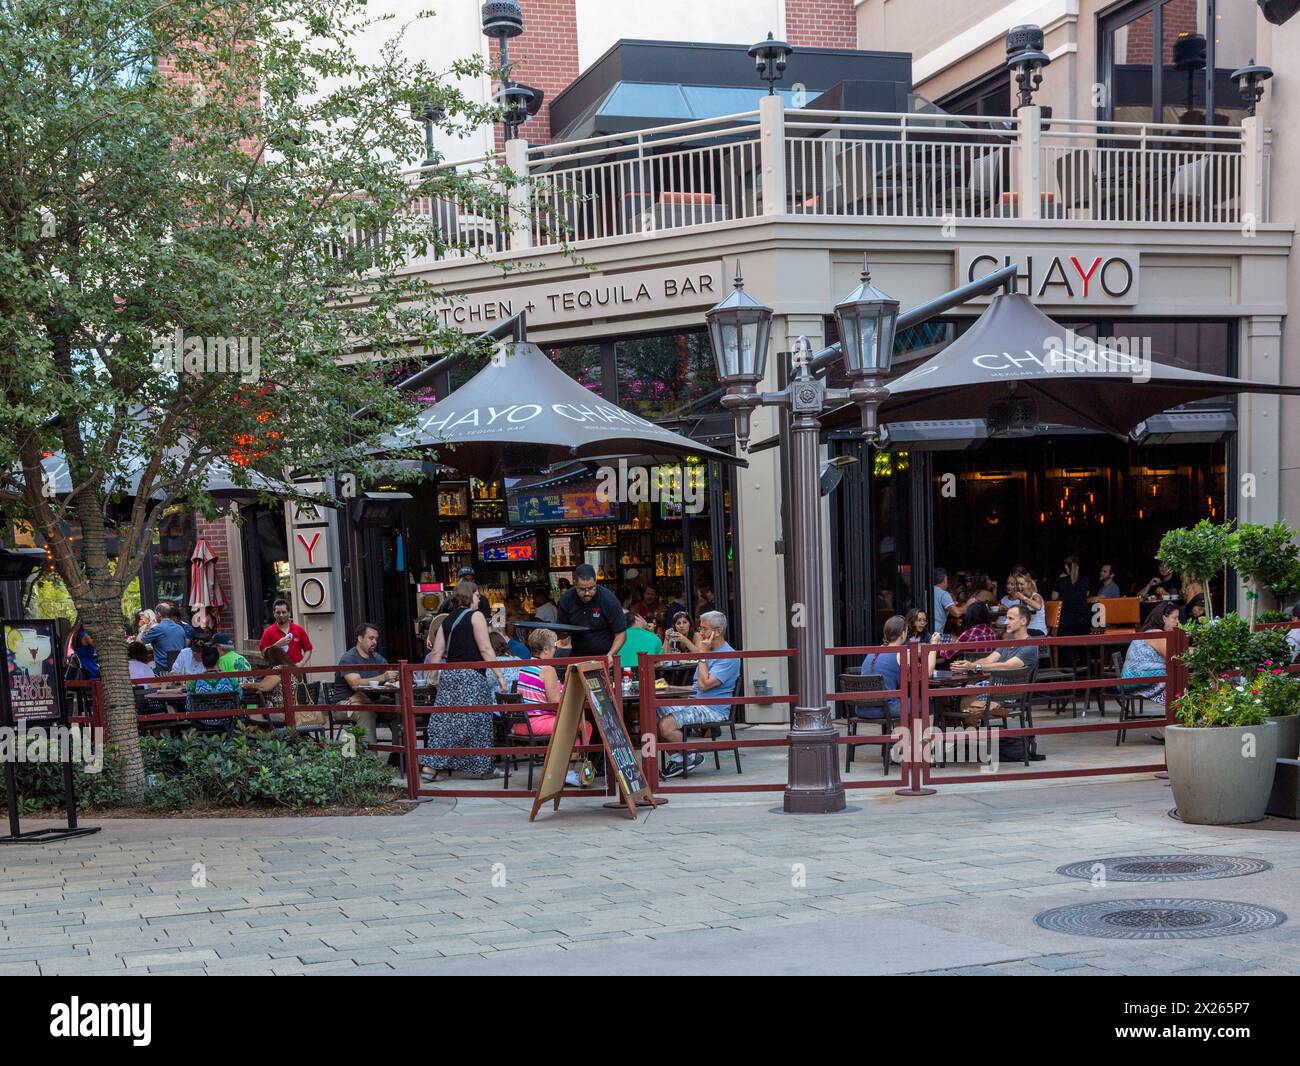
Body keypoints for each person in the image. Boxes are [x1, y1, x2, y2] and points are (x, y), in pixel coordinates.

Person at [420, 580, 504, 781]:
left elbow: (437, 652)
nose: (479, 599)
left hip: (449, 676)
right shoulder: (476, 616)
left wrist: (433, 677)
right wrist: (500, 675)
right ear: (469, 596)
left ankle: (432, 766)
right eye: (476, 595)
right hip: (471, 677)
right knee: (478, 721)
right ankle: (483, 767)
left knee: (446, 721)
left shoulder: (447, 620)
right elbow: (485, 648)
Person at [658, 611, 740, 777]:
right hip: (695, 702)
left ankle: (691, 755)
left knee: (666, 725)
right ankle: (680, 758)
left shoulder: (728, 656)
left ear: (718, 631)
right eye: (700, 628)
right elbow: (697, 687)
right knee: (651, 712)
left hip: (714, 709)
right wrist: (670, 687)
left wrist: (702, 656)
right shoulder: (709, 650)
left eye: (704, 629)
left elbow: (704, 685)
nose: (700, 633)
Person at [514, 628, 592, 788]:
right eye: (554, 646)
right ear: (546, 649)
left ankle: (566, 771)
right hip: (537, 722)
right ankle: (564, 772)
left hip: (522, 722)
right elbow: (556, 701)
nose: (556, 649)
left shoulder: (525, 665)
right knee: (586, 726)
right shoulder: (547, 669)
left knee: (575, 731)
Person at [1120, 602, 1181, 742]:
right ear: (1164, 618)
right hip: (1138, 679)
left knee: (1177, 681)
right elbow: (1174, 656)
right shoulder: (1156, 634)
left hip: (1138, 677)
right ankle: (1169, 727)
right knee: (1178, 684)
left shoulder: (1153, 633)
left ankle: (1170, 726)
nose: (1177, 622)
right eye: (1174, 618)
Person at [332, 621, 398, 744]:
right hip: (346, 702)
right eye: (371, 638)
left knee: (399, 708)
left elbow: (390, 673)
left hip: (372, 700)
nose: (375, 642)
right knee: (366, 712)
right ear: (360, 638)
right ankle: (370, 755)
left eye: (376, 639)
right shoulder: (349, 658)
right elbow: (355, 683)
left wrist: (394, 677)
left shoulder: (377, 657)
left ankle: (398, 752)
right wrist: (383, 677)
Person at [556, 563, 627, 670]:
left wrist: (611, 654)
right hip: (578, 656)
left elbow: (621, 632)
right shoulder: (567, 600)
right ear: (575, 583)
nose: (587, 593)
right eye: (582, 589)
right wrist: (561, 633)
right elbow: (562, 633)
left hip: (605, 656)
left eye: (591, 588)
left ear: (596, 582)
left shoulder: (608, 599)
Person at [859, 615, 907, 719]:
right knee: (924, 704)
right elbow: (925, 673)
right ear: (903, 634)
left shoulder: (872, 652)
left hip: (861, 708)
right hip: (885, 709)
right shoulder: (900, 654)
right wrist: (934, 645)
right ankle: (919, 730)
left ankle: (902, 729)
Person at [1051, 556, 1092, 669]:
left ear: (1066, 567)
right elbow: (1087, 594)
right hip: (1083, 618)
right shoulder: (1085, 580)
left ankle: (1067, 670)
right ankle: (1085, 668)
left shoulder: (1061, 581)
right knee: (1083, 645)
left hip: (1067, 619)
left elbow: (1053, 597)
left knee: (1066, 647)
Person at [185, 643, 243, 713]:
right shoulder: (230, 680)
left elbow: (189, 704)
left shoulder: (195, 682)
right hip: (227, 718)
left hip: (203, 719)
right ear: (218, 661)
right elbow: (239, 697)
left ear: (203, 662)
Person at [258, 599, 314, 666]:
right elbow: (263, 654)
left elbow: (308, 649)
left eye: (284, 612)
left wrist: (301, 663)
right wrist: (277, 645)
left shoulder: (298, 629)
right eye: (278, 612)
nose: (281, 615)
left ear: (289, 613)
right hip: (277, 671)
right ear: (274, 613)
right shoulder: (268, 632)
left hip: (296, 669)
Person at [139, 603, 188, 672]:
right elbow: (185, 648)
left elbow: (138, 644)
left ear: (159, 614)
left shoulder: (157, 629)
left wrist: (143, 629)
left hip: (162, 671)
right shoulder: (180, 628)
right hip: (180, 669)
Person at [932, 569, 961, 633]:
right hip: (936, 634)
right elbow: (957, 613)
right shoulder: (943, 594)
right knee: (955, 637)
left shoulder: (926, 592)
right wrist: (968, 605)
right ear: (945, 580)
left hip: (926, 632)